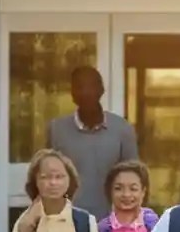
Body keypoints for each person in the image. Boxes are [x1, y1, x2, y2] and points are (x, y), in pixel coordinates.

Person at [48, 65, 138, 218]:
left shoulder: (122, 129)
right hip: (68, 222)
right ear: (72, 94)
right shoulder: (57, 130)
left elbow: (136, 179)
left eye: (91, 86)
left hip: (112, 224)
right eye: (79, 87)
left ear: (101, 90)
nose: (85, 92)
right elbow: (47, 178)